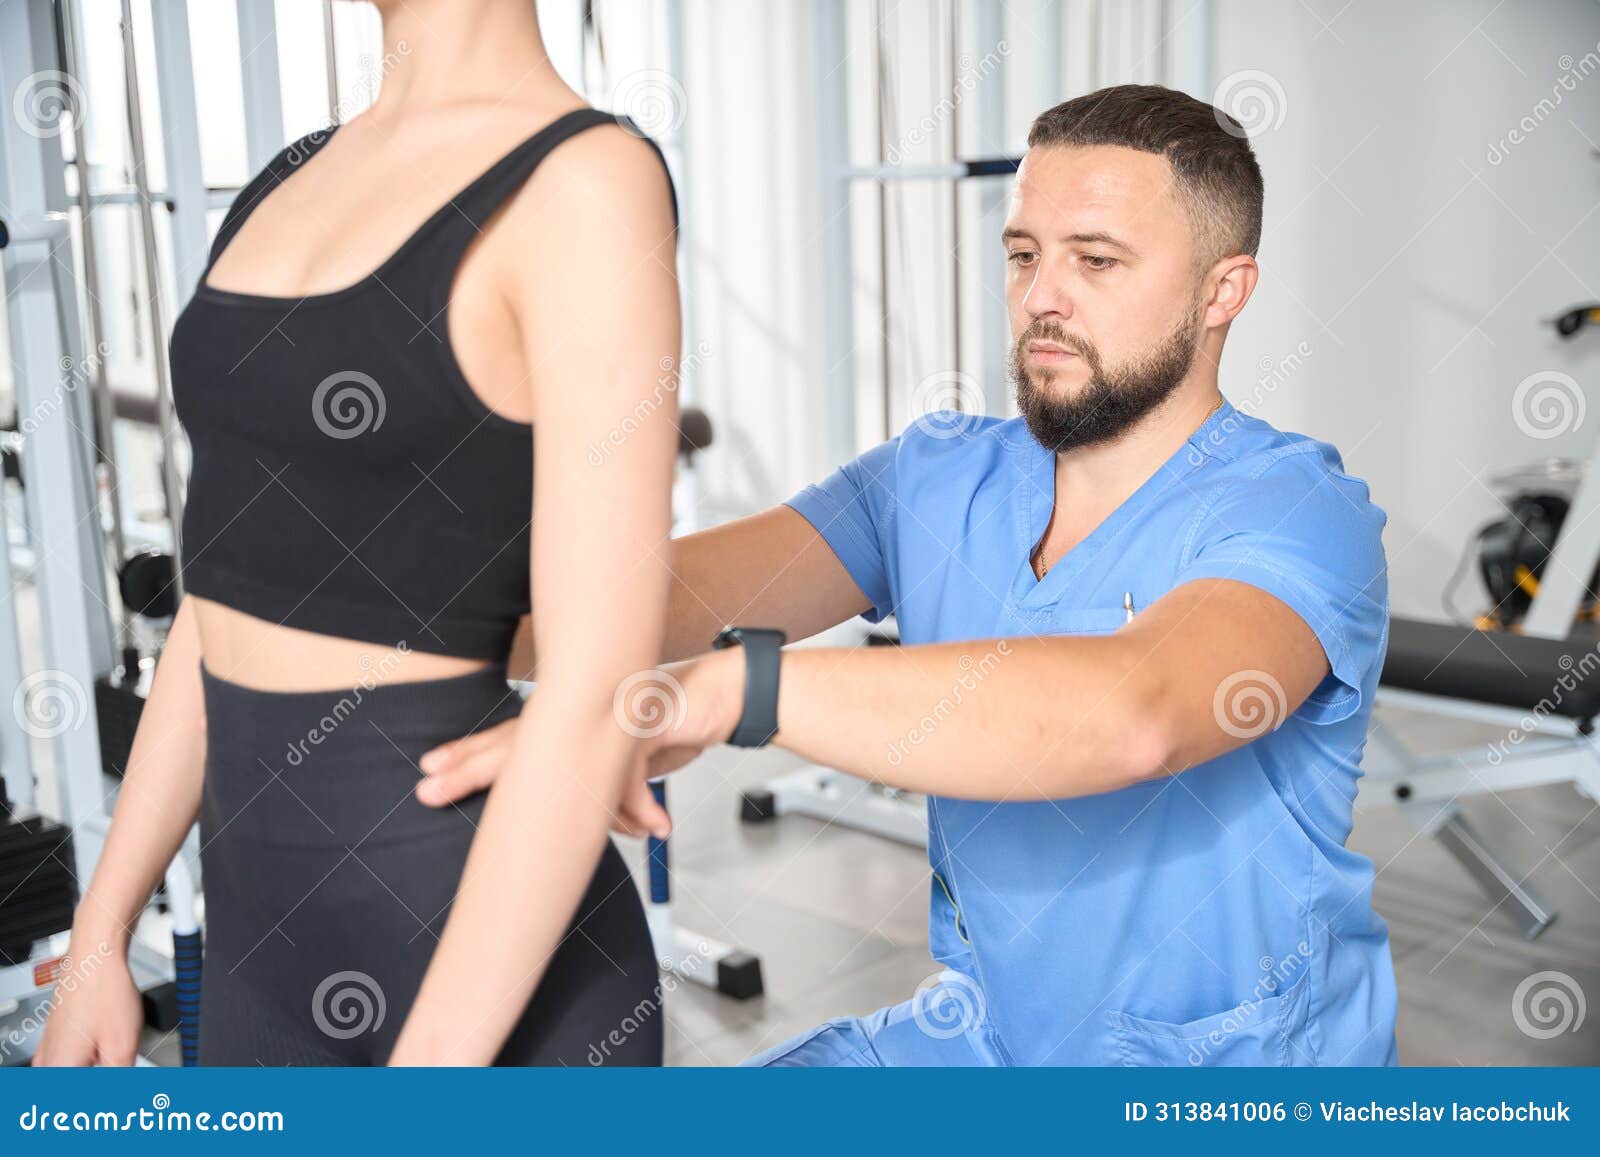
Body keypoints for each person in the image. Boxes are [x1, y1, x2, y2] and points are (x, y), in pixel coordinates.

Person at [422, 84, 1399, 1067]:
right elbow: (663, 593)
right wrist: (377, 610)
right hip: (984, 1041)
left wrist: (732, 689)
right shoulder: (935, 475)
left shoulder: (1296, 508)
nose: (1041, 297)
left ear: (1222, 290)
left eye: (1095, 260)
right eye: (1023, 255)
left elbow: (1137, 712)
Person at [35, 0, 679, 1066]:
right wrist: (104, 930)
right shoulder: (290, 176)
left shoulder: (587, 181)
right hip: (258, 958)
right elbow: (222, 599)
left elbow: (593, 686)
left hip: (482, 974)